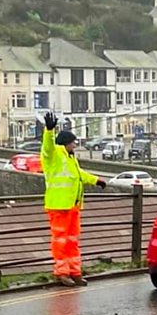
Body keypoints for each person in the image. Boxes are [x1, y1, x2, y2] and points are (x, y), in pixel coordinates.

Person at [40, 112, 106, 286]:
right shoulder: (54, 156)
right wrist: (49, 130)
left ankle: (74, 271)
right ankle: (62, 272)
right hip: (59, 205)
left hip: (72, 206)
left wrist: (95, 180)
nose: (75, 145)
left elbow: (78, 175)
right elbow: (47, 148)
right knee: (61, 241)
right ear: (66, 143)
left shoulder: (70, 158)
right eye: (73, 142)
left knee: (72, 241)